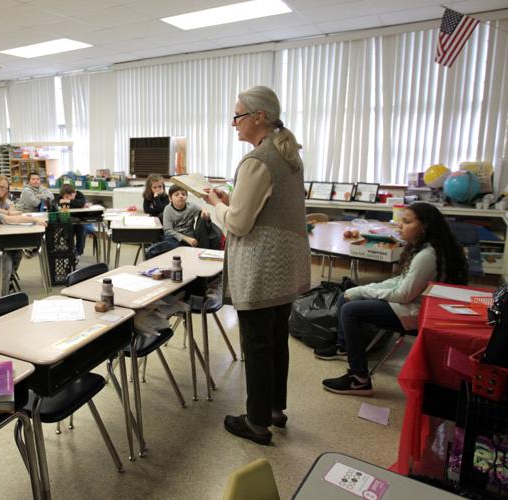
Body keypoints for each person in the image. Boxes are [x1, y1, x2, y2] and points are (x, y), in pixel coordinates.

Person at [206, 85, 310, 445]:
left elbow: (237, 224)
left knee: (257, 344)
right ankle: (274, 409)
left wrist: (213, 206)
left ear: (258, 117)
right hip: (285, 266)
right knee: (276, 340)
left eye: (237, 116)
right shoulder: (288, 157)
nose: (233, 123)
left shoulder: (256, 160)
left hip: (262, 266)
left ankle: (256, 422)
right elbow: (264, 207)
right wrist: (231, 199)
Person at [319, 202, 468, 396]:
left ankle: (359, 379)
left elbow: (403, 294)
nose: (400, 226)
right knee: (346, 296)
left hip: (415, 312)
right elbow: (401, 280)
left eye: (406, 222)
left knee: (350, 309)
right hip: (412, 304)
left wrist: (363, 292)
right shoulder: (424, 249)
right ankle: (344, 346)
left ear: (424, 226)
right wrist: (365, 289)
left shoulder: (427, 256)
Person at [145, 185, 209, 259]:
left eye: (183, 194)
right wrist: (186, 238)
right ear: (170, 198)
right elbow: (168, 230)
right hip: (174, 237)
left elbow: (202, 209)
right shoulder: (168, 209)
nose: (181, 196)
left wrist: (205, 211)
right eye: (177, 194)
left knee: (188, 247)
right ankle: (151, 250)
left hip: (190, 236)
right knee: (173, 245)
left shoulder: (191, 207)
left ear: (186, 197)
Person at [59, 183, 94, 256]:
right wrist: (78, 204)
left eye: (70, 196)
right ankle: (71, 250)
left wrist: (68, 202)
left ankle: (78, 252)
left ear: (75, 192)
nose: (69, 198)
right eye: (66, 197)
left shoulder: (79, 194)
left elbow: (81, 203)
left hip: (81, 221)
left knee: (81, 230)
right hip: (68, 222)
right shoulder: (61, 196)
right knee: (66, 231)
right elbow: (60, 203)